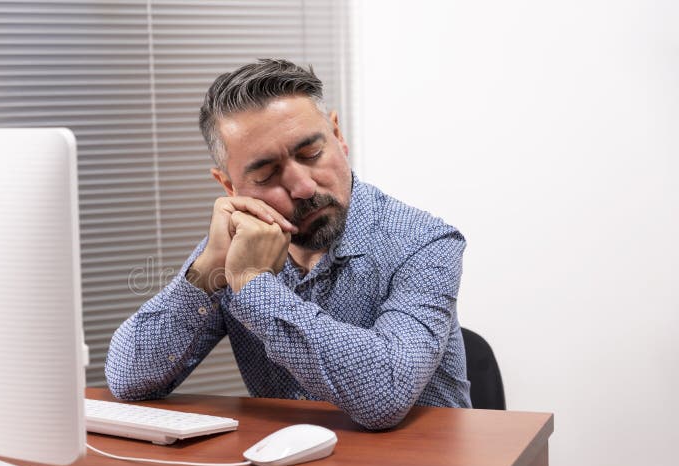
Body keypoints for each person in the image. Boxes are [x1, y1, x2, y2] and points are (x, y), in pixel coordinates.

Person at [106, 59, 471, 430]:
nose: (303, 187)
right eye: (266, 175)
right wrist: (206, 272)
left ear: (337, 134)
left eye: (311, 154)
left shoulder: (425, 243)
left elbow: (385, 394)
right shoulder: (237, 247)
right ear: (229, 187)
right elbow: (127, 379)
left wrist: (251, 283)